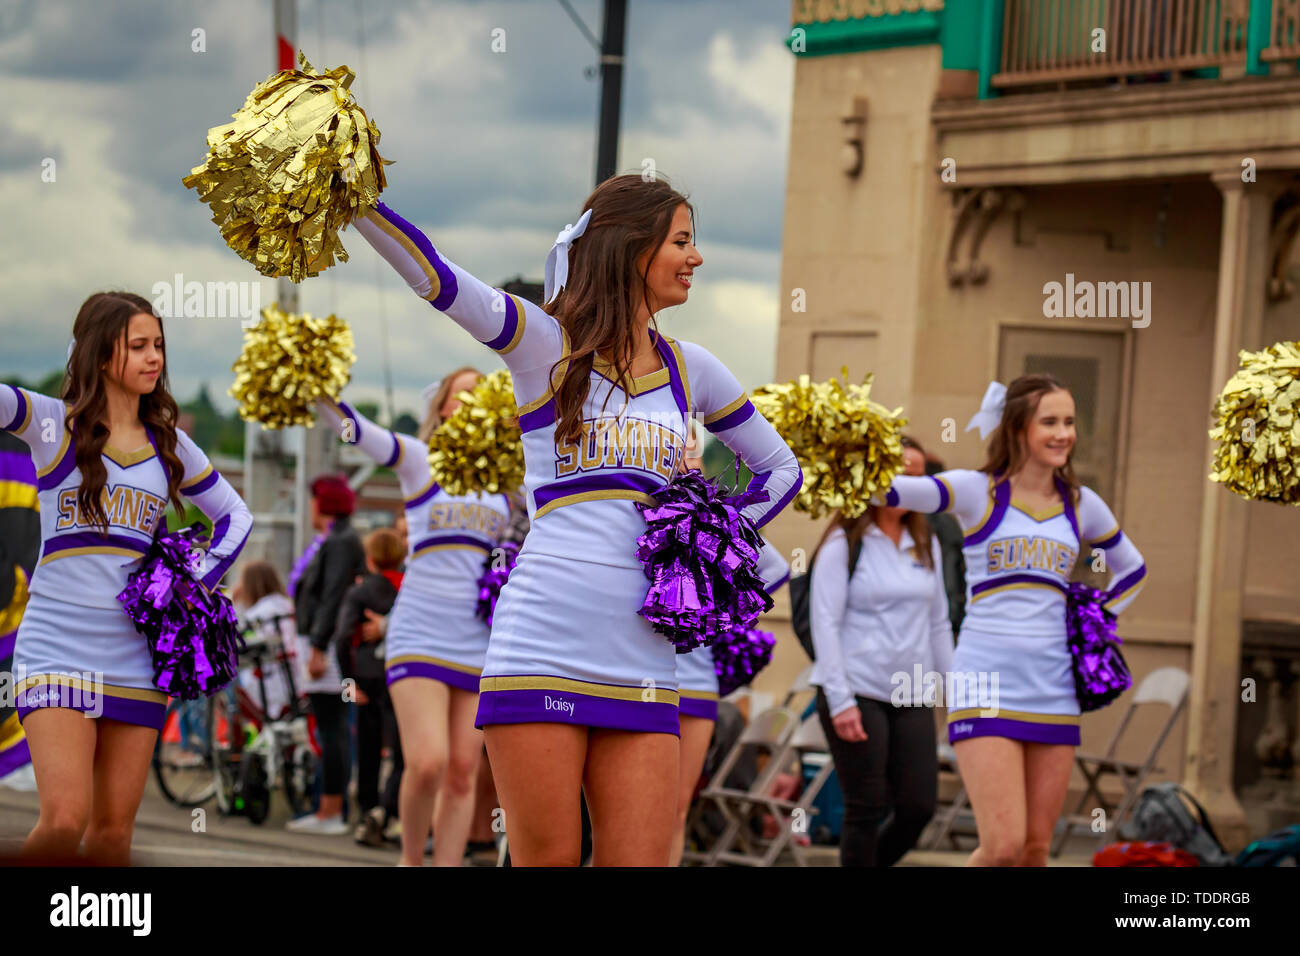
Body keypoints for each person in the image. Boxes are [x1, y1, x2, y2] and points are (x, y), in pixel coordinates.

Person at [349, 173, 801, 866]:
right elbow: (437, 278)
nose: (697, 257)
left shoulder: (693, 370)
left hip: (645, 654)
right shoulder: (544, 345)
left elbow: (781, 471)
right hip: (542, 645)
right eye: (682, 241)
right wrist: (353, 199)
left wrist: (708, 538)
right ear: (632, 248)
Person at [3, 291, 252, 864]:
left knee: (113, 836)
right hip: (56, 646)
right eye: (138, 345)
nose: (154, 357)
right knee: (65, 822)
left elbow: (235, 516)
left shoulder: (169, 444)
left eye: (158, 344)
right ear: (98, 353)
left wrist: (194, 581)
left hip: (136, 657)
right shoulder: (52, 424)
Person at [883, 375, 1146, 866]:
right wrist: (842, 455)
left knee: (1034, 850)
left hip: (1053, 686)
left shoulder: (1081, 503)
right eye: (1050, 422)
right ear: (1018, 428)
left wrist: (1096, 618)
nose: (1063, 433)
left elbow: (1133, 569)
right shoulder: (975, 490)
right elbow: (889, 494)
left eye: (1069, 422)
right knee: (1002, 847)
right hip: (984, 682)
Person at [316, 372, 512, 865]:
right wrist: (314, 388)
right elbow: (356, 431)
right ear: (441, 406)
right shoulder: (420, 459)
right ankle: (409, 860)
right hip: (420, 630)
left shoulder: (502, 480)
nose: (472, 400)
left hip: (476, 639)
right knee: (427, 763)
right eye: (461, 393)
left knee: (463, 771)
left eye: (481, 392)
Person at [809, 436, 952, 867]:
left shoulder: (927, 542)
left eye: (919, 477)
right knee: (866, 806)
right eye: (902, 474)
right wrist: (841, 701)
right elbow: (825, 622)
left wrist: (957, 692)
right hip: (857, 691)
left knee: (917, 807)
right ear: (875, 476)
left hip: (912, 692)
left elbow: (938, 623)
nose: (912, 486)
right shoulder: (845, 540)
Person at [289, 474, 365, 834]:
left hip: (329, 646)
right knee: (332, 728)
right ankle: (329, 808)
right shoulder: (340, 539)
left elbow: (333, 595)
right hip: (328, 642)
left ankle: (331, 810)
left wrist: (318, 647)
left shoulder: (339, 541)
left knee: (331, 728)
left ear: (323, 503)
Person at [330, 527, 406, 847]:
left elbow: (341, 639)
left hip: (364, 677)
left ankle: (366, 813)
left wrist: (348, 683)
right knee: (401, 751)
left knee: (367, 749)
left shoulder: (359, 592)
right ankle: (388, 812)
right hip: (401, 676)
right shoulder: (408, 589)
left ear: (370, 558)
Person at [232, 560, 299, 722]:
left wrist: (233, 602)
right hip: (292, 674)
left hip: (271, 679)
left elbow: (242, 638)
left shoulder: (260, 611)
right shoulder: (284, 604)